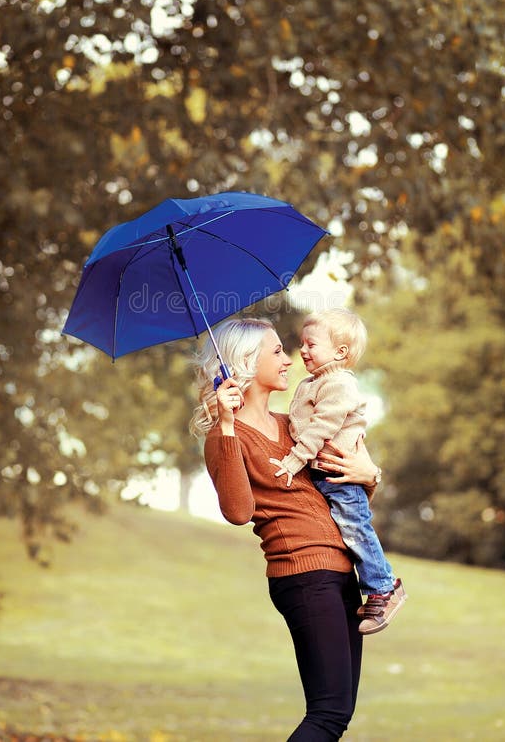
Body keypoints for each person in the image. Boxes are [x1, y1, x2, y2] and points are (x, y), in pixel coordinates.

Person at [191, 317, 381, 741]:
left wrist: (370, 476)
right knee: (328, 714)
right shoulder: (226, 436)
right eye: (277, 350)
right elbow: (238, 511)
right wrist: (226, 424)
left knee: (338, 714)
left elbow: (343, 495)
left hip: (341, 571)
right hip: (303, 574)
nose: (289, 359)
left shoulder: (295, 426)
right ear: (246, 361)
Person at [269, 308, 406, 635]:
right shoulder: (313, 383)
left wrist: (294, 460)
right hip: (325, 474)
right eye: (302, 343)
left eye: (311, 344)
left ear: (340, 352)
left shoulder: (339, 384)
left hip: (338, 476)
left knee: (354, 527)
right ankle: (377, 586)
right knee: (348, 528)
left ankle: (384, 587)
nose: (303, 350)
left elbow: (322, 427)